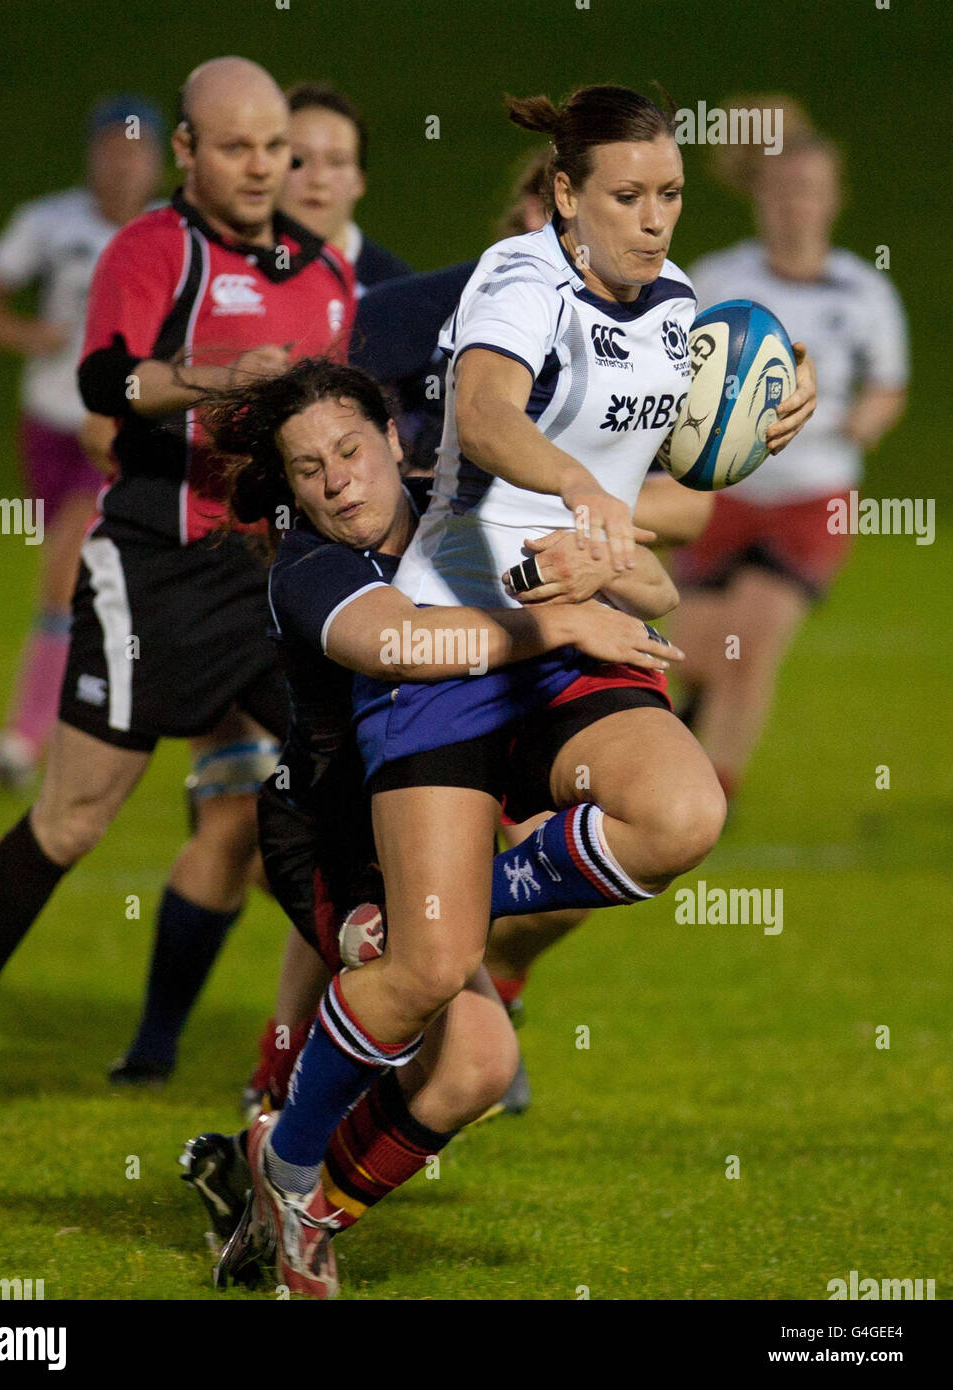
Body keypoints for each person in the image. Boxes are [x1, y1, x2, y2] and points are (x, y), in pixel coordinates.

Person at [241, 83, 819, 1298]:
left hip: (568, 631)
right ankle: (289, 1165)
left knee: (684, 815)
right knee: (427, 978)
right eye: (626, 195)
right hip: (460, 619)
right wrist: (582, 491)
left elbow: (684, 440)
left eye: (667, 193)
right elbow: (494, 415)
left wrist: (771, 410)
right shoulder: (519, 276)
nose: (654, 219)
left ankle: (455, 915)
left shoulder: (671, 310)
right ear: (565, 195)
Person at [180, 356, 683, 1294]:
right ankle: (282, 1163)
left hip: (438, 813)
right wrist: (560, 622)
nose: (337, 481)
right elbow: (407, 646)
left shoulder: (460, 509)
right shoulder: (314, 566)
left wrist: (604, 554)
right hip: (331, 838)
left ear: (393, 440)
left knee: (476, 1070)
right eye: (307, 469)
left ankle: (299, 1209)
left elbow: (659, 593)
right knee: (443, 1000)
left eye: (350, 450)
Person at [0, 57, 355, 1136]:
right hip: (154, 571)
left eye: (276, 146)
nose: (262, 166)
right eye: (238, 145)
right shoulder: (155, 250)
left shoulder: (328, 275)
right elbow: (101, 381)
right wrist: (217, 379)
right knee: (73, 817)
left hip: (273, 580)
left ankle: (334, 1058)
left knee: (347, 798)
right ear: (189, 153)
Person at [671, 118, 909, 805]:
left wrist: (866, 419)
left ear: (833, 199)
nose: (795, 203)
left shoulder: (864, 293)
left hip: (814, 495)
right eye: (782, 189)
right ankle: (691, 725)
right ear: (759, 196)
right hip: (720, 491)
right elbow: (679, 369)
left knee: (756, 641)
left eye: (809, 189)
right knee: (696, 651)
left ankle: (711, 796)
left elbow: (887, 385)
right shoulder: (722, 277)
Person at [0, 96, 164, 791]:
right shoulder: (49, 221)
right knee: (79, 580)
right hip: (47, 422)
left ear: (159, 159)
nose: (124, 163)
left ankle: (22, 742)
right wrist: (29, 336)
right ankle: (110, 710)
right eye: (112, 148)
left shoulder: (172, 232)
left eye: (137, 150)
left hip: (115, 429)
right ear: (93, 155)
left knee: (68, 574)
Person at [280, 83, 411, 295]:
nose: (318, 179)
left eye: (337, 162)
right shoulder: (231, 277)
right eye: (298, 160)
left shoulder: (397, 289)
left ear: (359, 181)